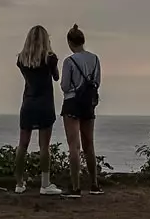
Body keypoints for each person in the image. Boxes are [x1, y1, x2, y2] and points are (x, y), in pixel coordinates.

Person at [14, 25, 66, 195]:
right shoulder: (50, 58)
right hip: (45, 104)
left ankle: (19, 183)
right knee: (44, 145)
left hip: (28, 103)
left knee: (22, 144)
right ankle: (45, 184)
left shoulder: (22, 59)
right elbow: (56, 77)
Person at [59, 24, 103, 195]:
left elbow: (64, 86)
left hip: (72, 103)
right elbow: (97, 82)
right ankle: (94, 184)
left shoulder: (69, 61)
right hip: (88, 104)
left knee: (74, 146)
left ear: (70, 42)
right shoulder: (95, 59)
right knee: (89, 145)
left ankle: (75, 187)